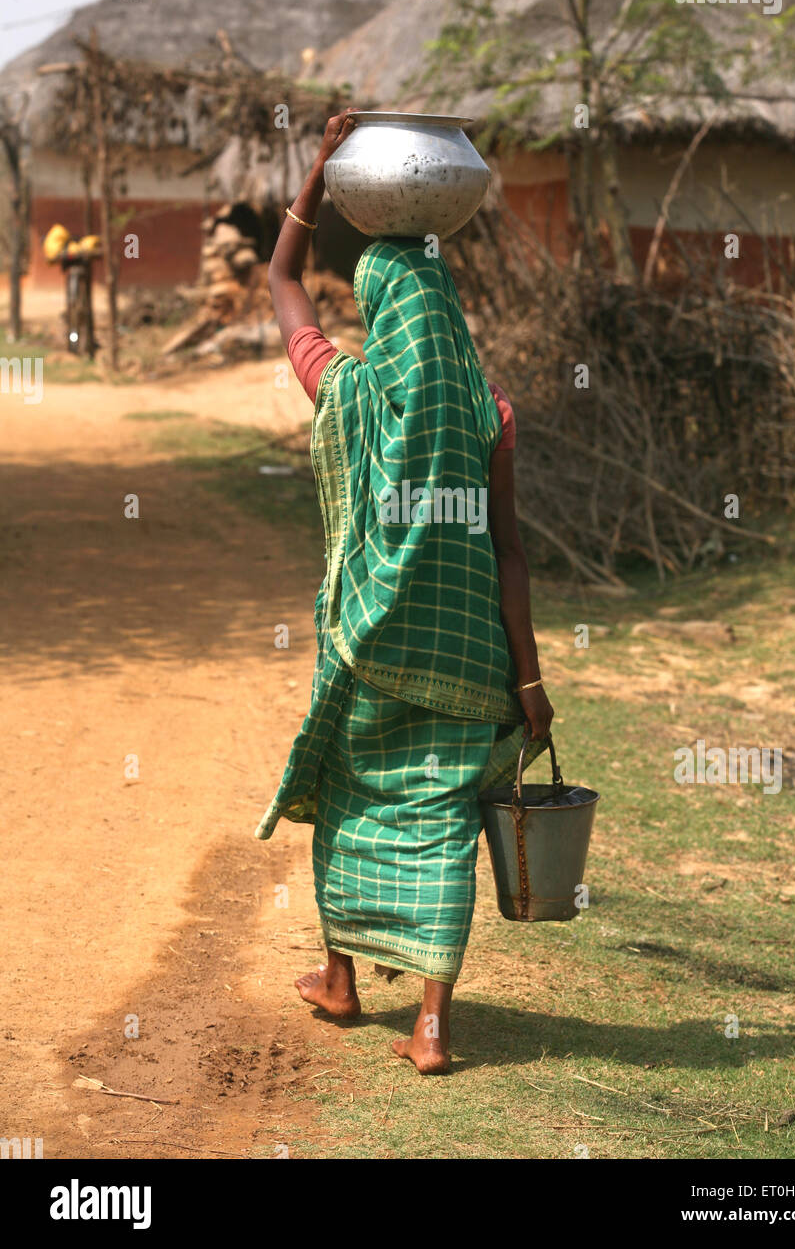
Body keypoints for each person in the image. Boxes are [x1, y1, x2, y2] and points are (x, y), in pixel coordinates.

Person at [256, 109, 554, 1074]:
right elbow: (510, 552)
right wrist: (530, 681)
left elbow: (282, 280)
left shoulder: (345, 390)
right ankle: (431, 1026)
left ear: (381, 316)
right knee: (436, 820)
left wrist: (316, 173)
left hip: (371, 644)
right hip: (469, 656)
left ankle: (340, 979)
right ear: (448, 317)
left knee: (352, 798)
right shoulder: (492, 412)